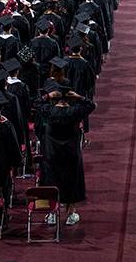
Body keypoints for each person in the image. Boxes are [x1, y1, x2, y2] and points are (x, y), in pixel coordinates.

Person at [34, 87, 95, 225]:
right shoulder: (74, 112)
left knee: (52, 181)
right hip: (71, 154)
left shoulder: (49, 111)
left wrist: (47, 96)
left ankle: (52, 213)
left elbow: (36, 103)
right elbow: (91, 105)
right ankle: (70, 213)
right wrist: (79, 96)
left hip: (52, 154)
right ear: (70, 99)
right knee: (71, 182)